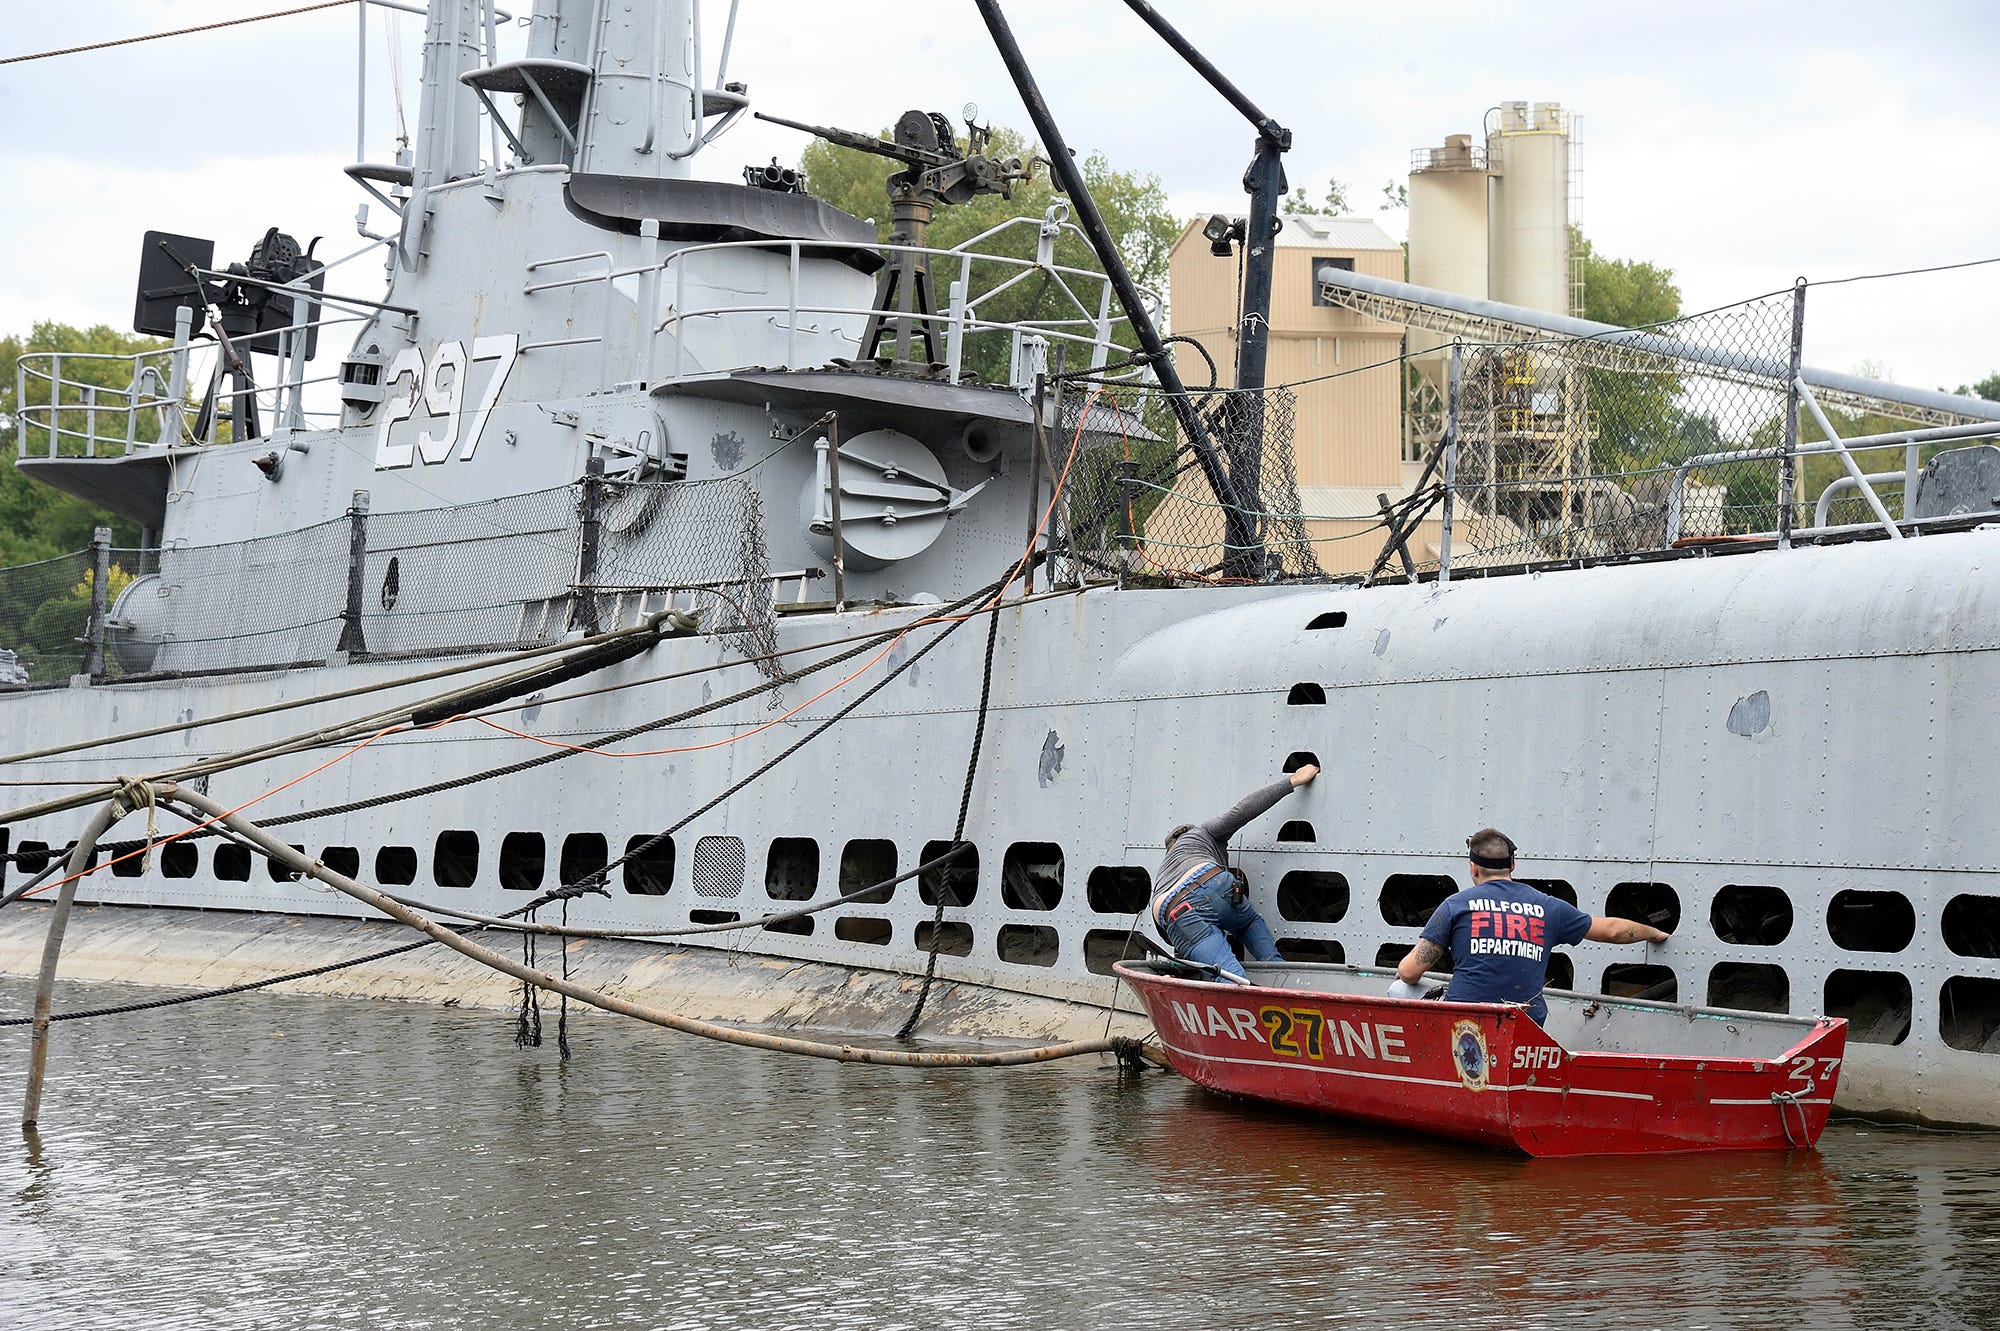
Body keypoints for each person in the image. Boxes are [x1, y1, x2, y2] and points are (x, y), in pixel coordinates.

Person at [1394, 827, 1670, 1024]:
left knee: (1398, 989)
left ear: (1473, 868)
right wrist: (1654, 932)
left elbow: (1408, 972)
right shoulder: (1548, 906)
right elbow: (1611, 930)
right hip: (1526, 1020)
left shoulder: (1456, 905)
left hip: (1465, 1018)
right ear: (1513, 865)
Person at [1153, 765, 1319, 982]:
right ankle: (1279, 973)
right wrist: (1294, 780)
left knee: (1230, 979)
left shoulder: (1164, 872)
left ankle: (1238, 995)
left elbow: (1173, 935)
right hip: (1215, 881)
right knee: (1249, 922)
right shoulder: (1205, 833)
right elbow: (1242, 811)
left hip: (1177, 909)